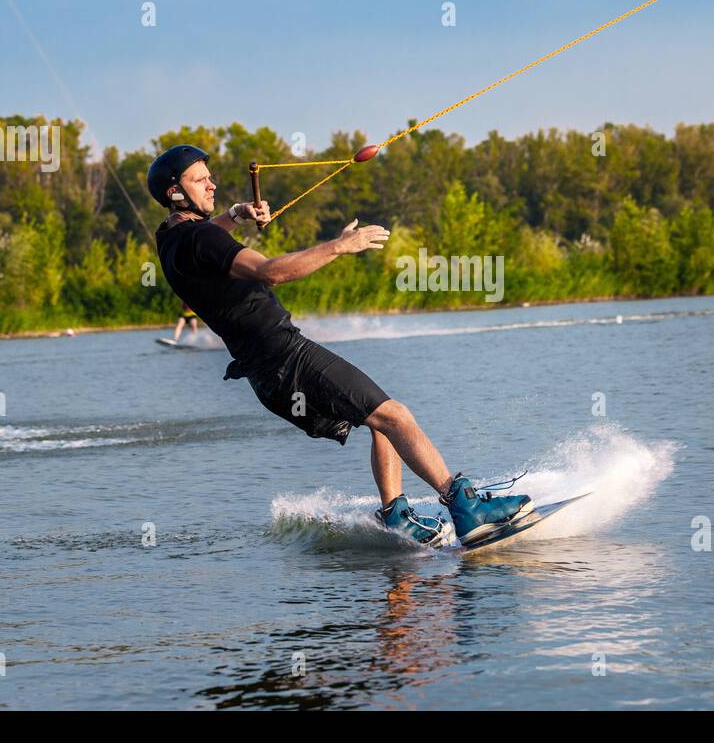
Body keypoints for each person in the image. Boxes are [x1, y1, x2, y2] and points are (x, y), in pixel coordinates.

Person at [147, 144, 532, 546]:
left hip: (266, 372)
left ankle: (397, 515)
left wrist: (236, 214)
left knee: (379, 416)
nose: (212, 184)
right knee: (396, 417)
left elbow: (204, 239)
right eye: (200, 179)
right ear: (176, 192)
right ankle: (466, 508)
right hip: (285, 357)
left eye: (209, 176)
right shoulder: (201, 238)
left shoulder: (171, 239)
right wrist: (339, 246)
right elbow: (269, 272)